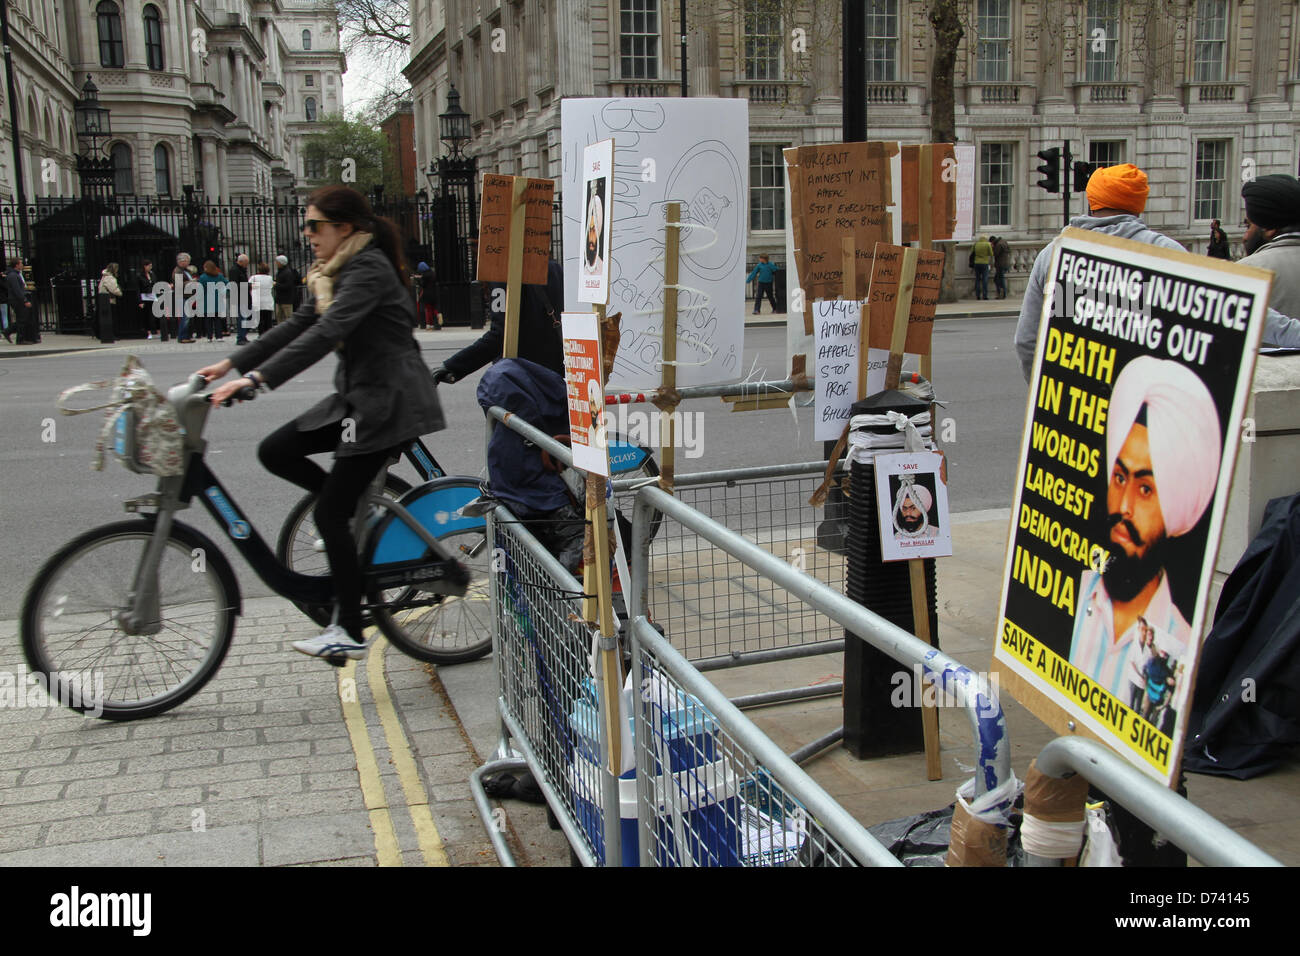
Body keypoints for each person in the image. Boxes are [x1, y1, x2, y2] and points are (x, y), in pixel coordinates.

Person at [198, 185, 447, 661]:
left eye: (315, 225)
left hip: (387, 404)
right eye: (305, 225)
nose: (307, 233)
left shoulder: (367, 268)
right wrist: (230, 365)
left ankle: (349, 631)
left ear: (344, 227)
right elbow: (299, 325)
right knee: (276, 451)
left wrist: (255, 381)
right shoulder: (334, 271)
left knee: (329, 513)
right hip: (358, 399)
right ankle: (353, 506)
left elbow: (329, 332)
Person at [1068, 356, 1220, 703]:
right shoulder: (1069, 595)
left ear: (1179, 506)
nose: (1123, 506)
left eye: (1146, 489)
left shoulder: (1181, 647)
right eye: (1120, 478)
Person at [1015, 164, 1184, 382]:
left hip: (1070, 396)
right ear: (1138, 206)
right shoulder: (1169, 253)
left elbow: (1027, 340)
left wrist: (1044, 392)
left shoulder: (1053, 253)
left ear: (1092, 203)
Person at [433, 258, 566, 383]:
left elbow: (499, 336)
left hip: (523, 378)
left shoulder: (503, 274)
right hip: (555, 376)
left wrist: (453, 366)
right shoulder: (555, 269)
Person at [197, 260, 228, 342]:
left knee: (208, 320)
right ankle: (219, 336)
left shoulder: (203, 277)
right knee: (217, 320)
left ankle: (209, 337)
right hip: (218, 299)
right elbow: (227, 283)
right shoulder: (219, 276)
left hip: (207, 300)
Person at [5, 257, 31, 343]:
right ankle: (20, 339)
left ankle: (8, 332)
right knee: (22, 320)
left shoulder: (15, 274)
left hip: (17, 299)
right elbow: (17, 290)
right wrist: (25, 300)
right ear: (16, 265)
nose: (22, 265)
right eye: (20, 263)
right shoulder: (13, 275)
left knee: (22, 319)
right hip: (17, 300)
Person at [138, 260, 163, 340]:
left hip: (153, 296)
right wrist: (140, 301)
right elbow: (138, 289)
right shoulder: (139, 276)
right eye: (149, 266)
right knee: (147, 315)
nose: (150, 267)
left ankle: (159, 331)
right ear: (145, 266)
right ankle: (148, 332)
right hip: (145, 297)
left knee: (157, 314)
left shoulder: (152, 274)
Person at [583, 191, 604, 277]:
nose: (591, 237)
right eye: (590, 230)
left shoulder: (600, 267)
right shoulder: (586, 268)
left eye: (594, 230)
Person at [273, 254, 299, 324]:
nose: (276, 263)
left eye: (277, 262)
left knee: (288, 317)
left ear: (281, 263)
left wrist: (276, 284)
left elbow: (288, 286)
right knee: (279, 317)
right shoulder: (280, 272)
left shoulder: (287, 273)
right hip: (280, 299)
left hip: (286, 300)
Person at [250, 262, 274, 337]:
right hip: (268, 301)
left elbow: (251, 287)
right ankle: (268, 335)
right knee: (268, 320)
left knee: (260, 320)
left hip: (258, 301)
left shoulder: (254, 278)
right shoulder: (270, 278)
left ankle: (261, 334)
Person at [416, 261, 440, 329]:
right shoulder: (433, 273)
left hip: (427, 294)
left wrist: (419, 280)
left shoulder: (424, 275)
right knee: (434, 309)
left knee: (428, 309)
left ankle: (430, 324)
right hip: (434, 293)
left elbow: (422, 284)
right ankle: (437, 323)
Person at [971, 235, 993, 300]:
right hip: (985, 263)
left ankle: (977, 295)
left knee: (977, 279)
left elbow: (972, 252)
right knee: (985, 280)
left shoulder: (976, 244)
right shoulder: (987, 244)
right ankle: (985, 295)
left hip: (977, 263)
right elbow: (991, 253)